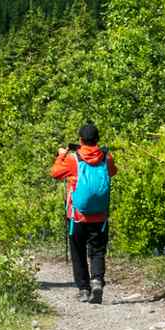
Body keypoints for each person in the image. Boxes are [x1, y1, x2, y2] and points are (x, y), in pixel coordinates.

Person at [50, 122, 116, 304]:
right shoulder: (106, 158)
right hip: (100, 216)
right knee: (97, 250)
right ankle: (97, 281)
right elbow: (113, 172)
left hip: (77, 216)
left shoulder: (72, 159)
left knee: (78, 252)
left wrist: (61, 156)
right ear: (97, 139)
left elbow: (55, 173)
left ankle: (84, 290)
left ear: (80, 140)